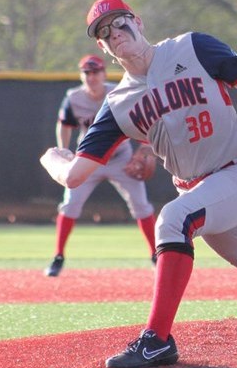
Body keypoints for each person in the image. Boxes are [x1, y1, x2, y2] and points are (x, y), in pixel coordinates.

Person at [40, 0, 237, 368]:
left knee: (172, 221)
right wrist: (52, 159)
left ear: (138, 21)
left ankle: (157, 340)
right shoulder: (118, 104)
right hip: (196, 189)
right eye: (104, 32)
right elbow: (75, 175)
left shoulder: (191, 47)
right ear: (102, 47)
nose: (115, 32)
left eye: (120, 22)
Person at [44, 53, 157, 277]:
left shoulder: (117, 91)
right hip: (88, 159)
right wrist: (65, 151)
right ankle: (58, 256)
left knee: (141, 206)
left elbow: (141, 119)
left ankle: (156, 254)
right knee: (70, 205)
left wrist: (144, 149)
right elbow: (64, 125)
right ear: (81, 75)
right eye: (87, 73)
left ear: (104, 74)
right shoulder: (73, 98)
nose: (91, 77)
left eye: (95, 72)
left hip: (120, 158)